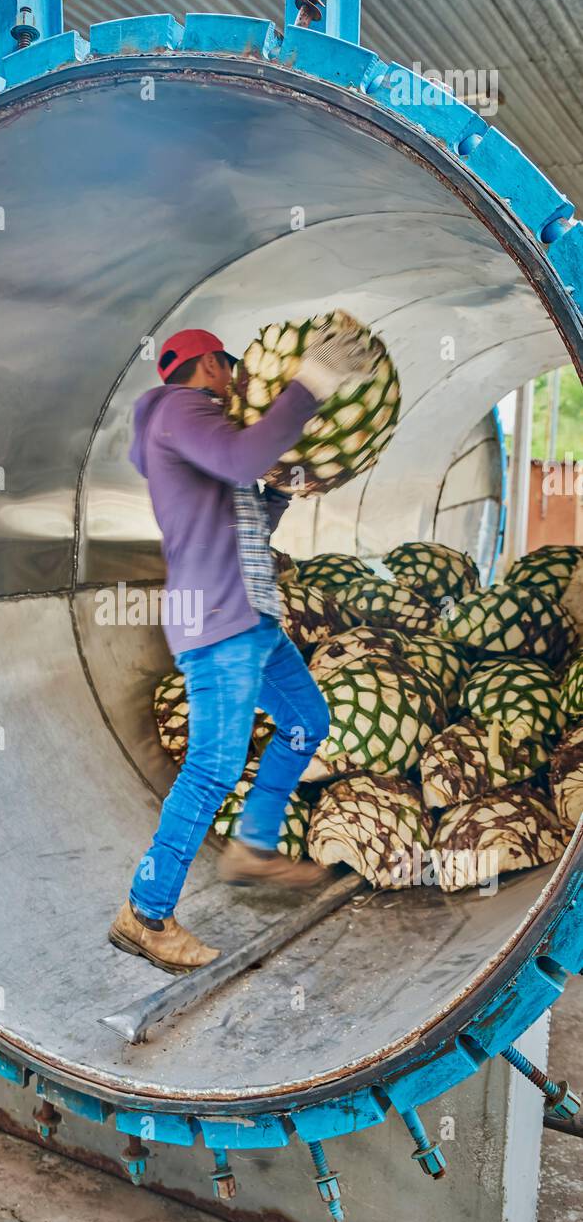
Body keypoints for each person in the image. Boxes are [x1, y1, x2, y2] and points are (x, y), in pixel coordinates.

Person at [108, 324, 381, 973]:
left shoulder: (200, 437)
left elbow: (247, 514)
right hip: (218, 619)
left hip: (249, 616)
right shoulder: (180, 409)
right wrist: (309, 383)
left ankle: (252, 844)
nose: (235, 383)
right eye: (228, 370)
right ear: (208, 364)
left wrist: (282, 490)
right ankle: (145, 913)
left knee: (305, 721)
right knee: (211, 766)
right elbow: (240, 460)